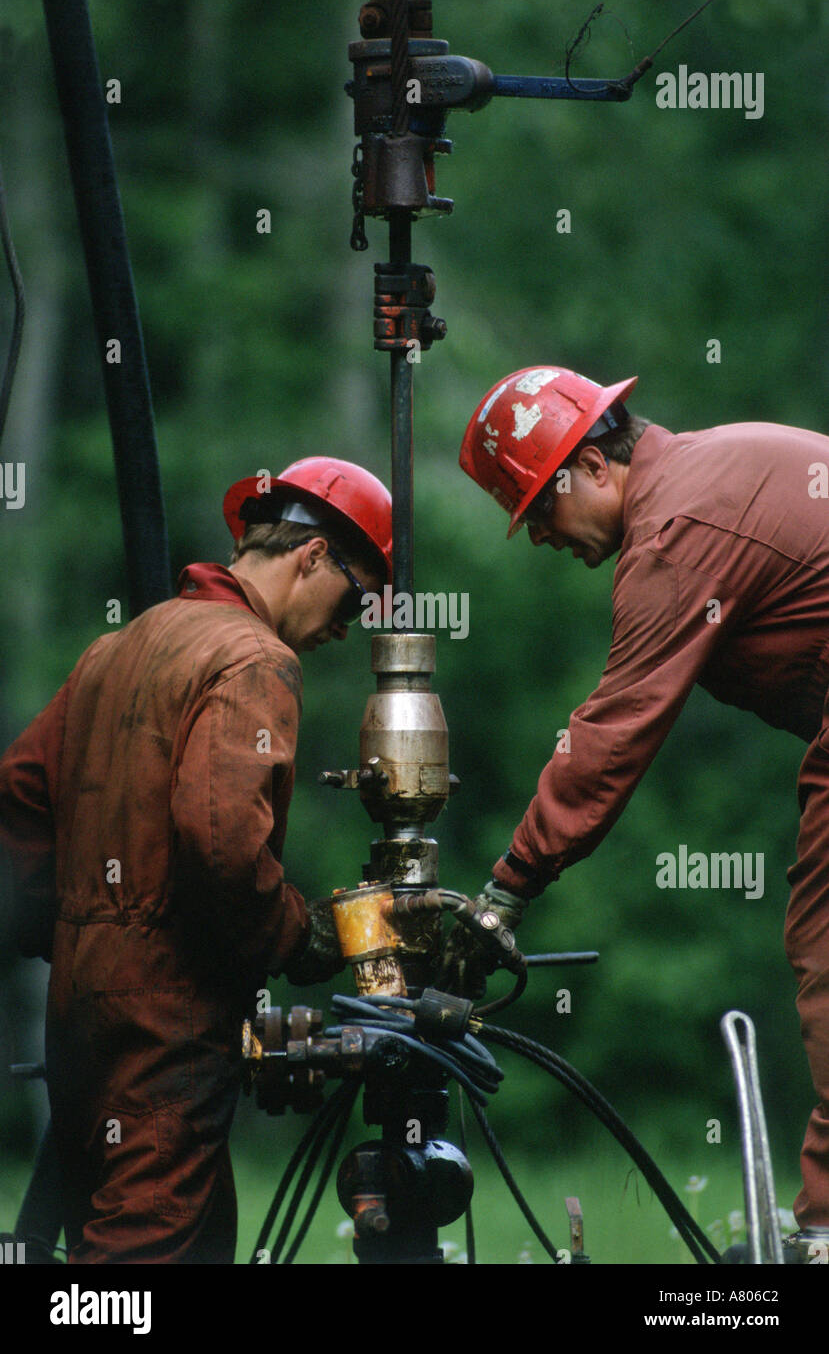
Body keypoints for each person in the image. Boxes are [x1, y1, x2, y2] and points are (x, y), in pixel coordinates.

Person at [454, 363, 829, 1252]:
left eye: (539, 510)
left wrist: (505, 891)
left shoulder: (674, 532)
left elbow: (612, 736)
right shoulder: (709, 471)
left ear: (590, 464)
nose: (541, 538)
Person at [0, 456, 391, 1264]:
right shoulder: (254, 661)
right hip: (166, 1020)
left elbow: (19, 796)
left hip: (79, 1010)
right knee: (139, 1265)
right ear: (312, 557)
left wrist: (69, 928)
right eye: (355, 595)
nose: (350, 624)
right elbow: (221, 846)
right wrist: (301, 939)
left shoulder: (119, 644)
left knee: (168, 1240)